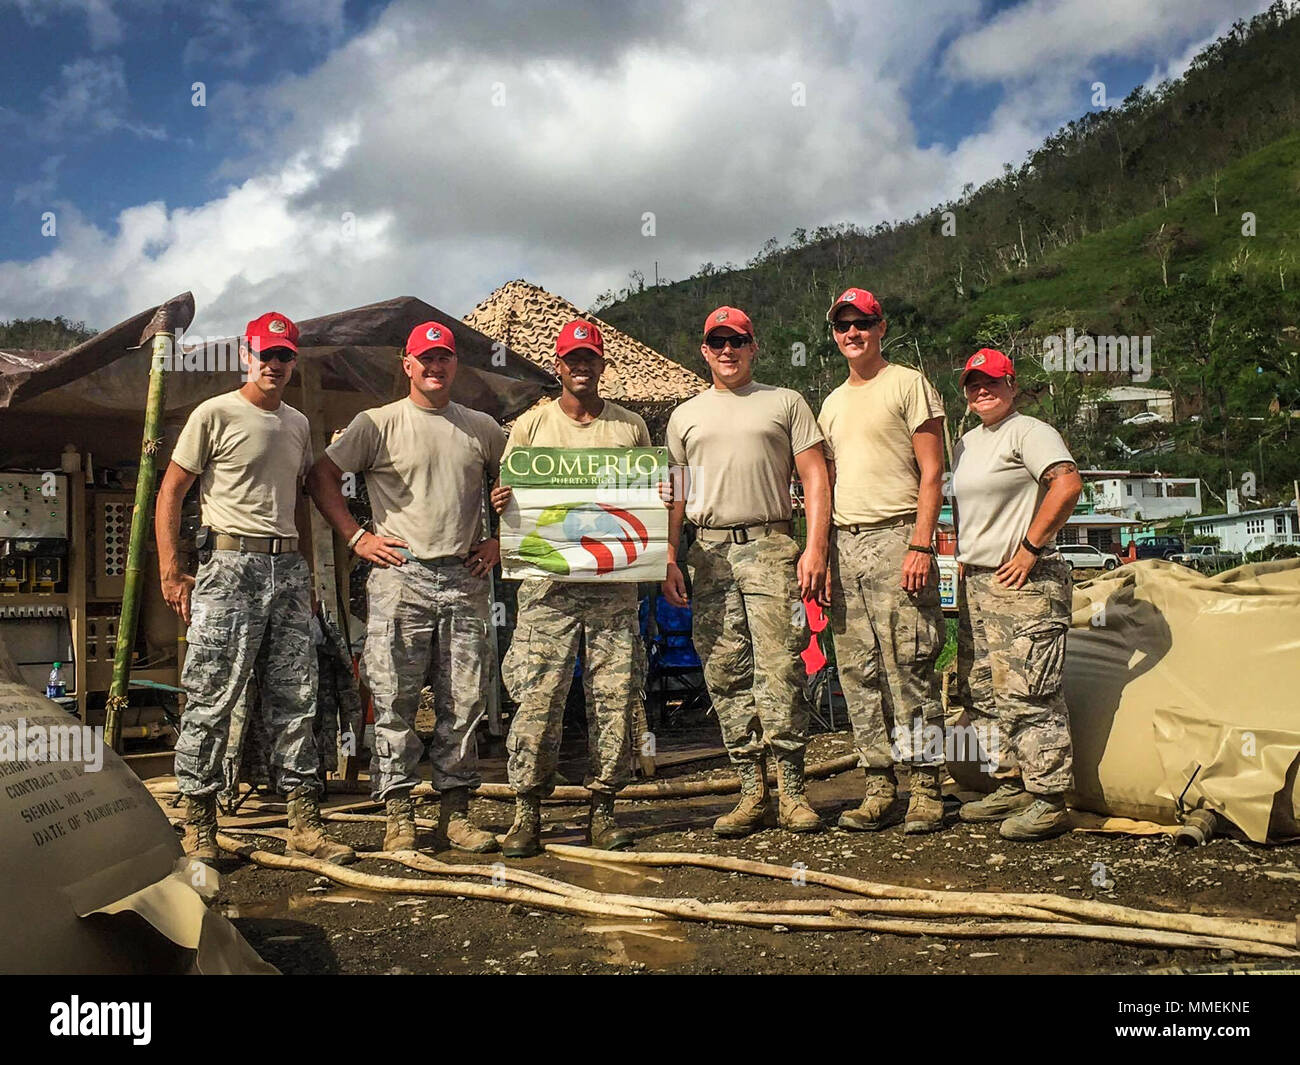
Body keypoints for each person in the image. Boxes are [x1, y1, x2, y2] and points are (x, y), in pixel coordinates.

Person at [156, 311, 354, 865]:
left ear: (295, 360)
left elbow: (299, 500)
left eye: (285, 355)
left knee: (296, 695)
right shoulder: (214, 414)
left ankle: (304, 823)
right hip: (229, 566)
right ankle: (200, 823)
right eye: (267, 354)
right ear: (248, 356)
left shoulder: (297, 424)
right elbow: (170, 491)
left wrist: (311, 576)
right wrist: (172, 569)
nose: (275, 364)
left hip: (287, 570)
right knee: (211, 694)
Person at [308, 321, 504, 854]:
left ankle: (455, 814)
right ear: (408, 365)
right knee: (394, 699)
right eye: (426, 359)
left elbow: (520, 483)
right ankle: (398, 814)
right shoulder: (377, 424)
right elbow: (320, 474)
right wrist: (356, 537)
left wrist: (499, 540)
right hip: (402, 575)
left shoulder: (481, 428)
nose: (436, 367)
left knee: (462, 702)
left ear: (454, 365)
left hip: (465, 577)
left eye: (445, 358)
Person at [662, 305, 831, 835]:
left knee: (780, 669)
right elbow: (675, 494)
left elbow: (816, 477)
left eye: (738, 341)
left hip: (770, 545)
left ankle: (794, 792)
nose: (728, 351)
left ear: (754, 347)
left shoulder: (785, 402)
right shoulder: (684, 415)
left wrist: (815, 547)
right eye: (718, 342)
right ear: (704, 350)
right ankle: (751, 790)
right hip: (707, 554)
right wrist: (669, 556)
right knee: (724, 671)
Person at [490, 319, 651, 857]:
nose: (581, 366)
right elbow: (510, 503)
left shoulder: (630, 429)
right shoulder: (531, 429)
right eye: (571, 358)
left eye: (590, 358)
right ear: (558, 366)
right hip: (546, 587)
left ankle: (603, 810)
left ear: (602, 365)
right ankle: (527, 811)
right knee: (538, 697)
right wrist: (502, 504)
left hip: (614, 589)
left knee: (615, 697)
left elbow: (647, 497)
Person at [817, 288, 949, 833]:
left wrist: (922, 543)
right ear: (834, 335)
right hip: (845, 545)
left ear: (881, 327)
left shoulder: (908, 383)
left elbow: (934, 473)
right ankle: (878, 785)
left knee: (909, 664)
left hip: (898, 538)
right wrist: (820, 552)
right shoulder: (830, 403)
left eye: (862, 324)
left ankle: (926, 787)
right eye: (843, 326)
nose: (853, 333)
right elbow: (822, 486)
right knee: (857, 672)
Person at [950, 349, 1082, 841]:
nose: (981, 390)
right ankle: (1011, 781)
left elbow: (1066, 485)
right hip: (980, 582)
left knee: (1029, 692)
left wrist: (1029, 547)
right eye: (972, 383)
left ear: (1011, 385)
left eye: (991, 381)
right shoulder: (965, 443)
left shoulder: (1030, 432)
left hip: (1025, 582)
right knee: (981, 688)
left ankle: (1049, 799)